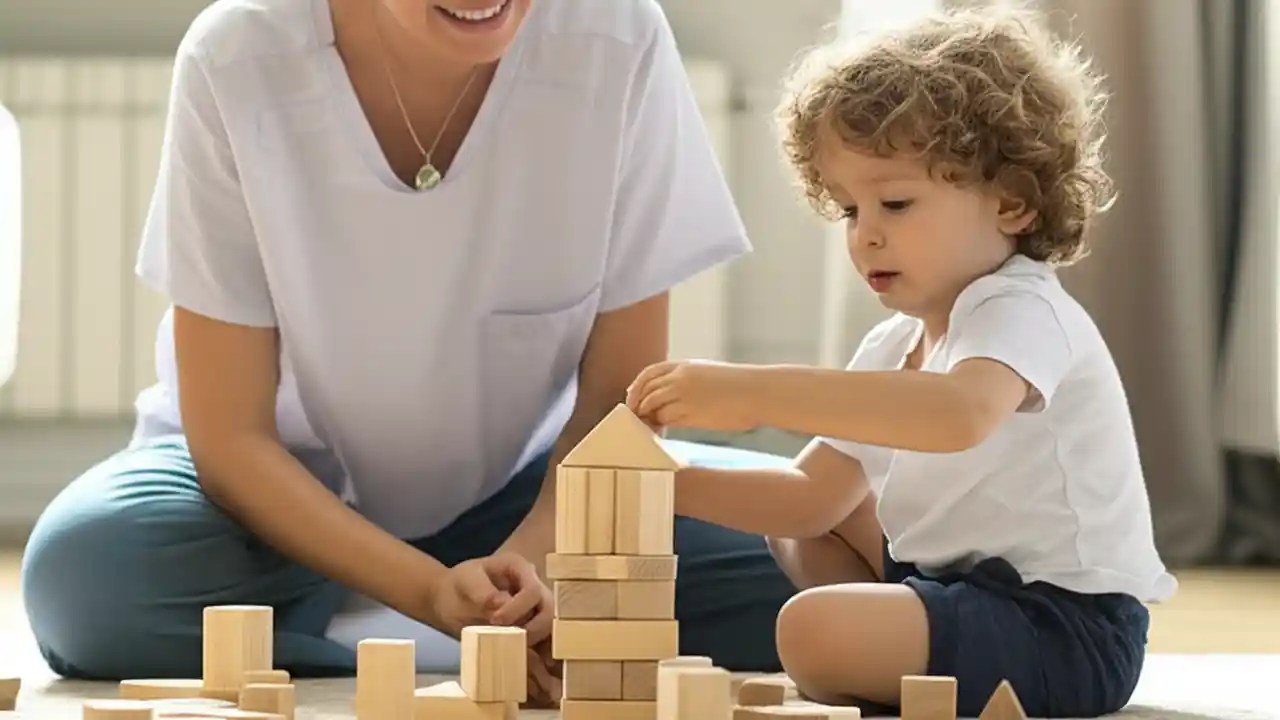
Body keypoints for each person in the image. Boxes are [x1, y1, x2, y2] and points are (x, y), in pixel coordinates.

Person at [18, 0, 799, 702]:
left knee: (836, 564)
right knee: (85, 581)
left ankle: (382, 627)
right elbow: (230, 440)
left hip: (529, 496)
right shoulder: (238, 56)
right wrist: (432, 595)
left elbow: (613, 406)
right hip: (269, 512)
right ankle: (414, 627)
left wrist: (519, 582)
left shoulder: (617, 35)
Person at [625, 6, 1177, 718]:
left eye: (895, 202)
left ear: (1012, 202)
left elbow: (958, 414)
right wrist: (660, 483)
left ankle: (872, 646)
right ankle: (887, 642)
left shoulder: (1022, 308)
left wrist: (755, 392)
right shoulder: (893, 344)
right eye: (851, 211)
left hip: (1063, 626)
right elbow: (808, 498)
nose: (866, 238)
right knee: (802, 522)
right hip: (954, 589)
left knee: (807, 632)